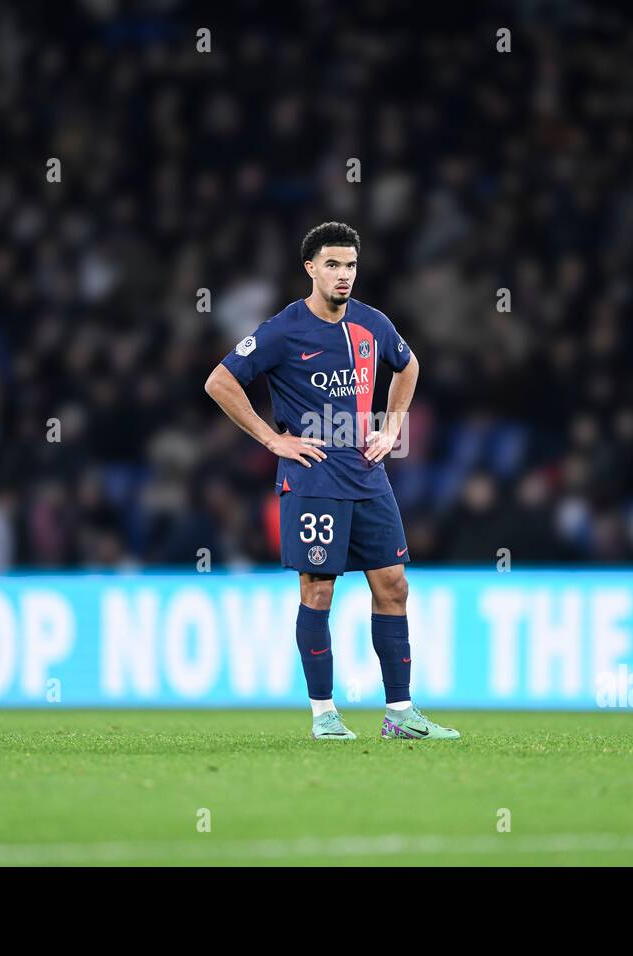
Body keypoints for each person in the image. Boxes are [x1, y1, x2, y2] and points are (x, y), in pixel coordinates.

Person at [204, 222, 460, 741]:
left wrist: (392, 426)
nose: (344, 275)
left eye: (350, 266)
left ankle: (400, 715)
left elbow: (407, 368)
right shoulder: (282, 329)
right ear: (311, 268)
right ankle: (324, 714)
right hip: (313, 478)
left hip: (367, 475)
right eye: (333, 265)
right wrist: (272, 440)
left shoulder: (373, 323)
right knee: (318, 591)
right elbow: (220, 381)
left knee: (394, 585)